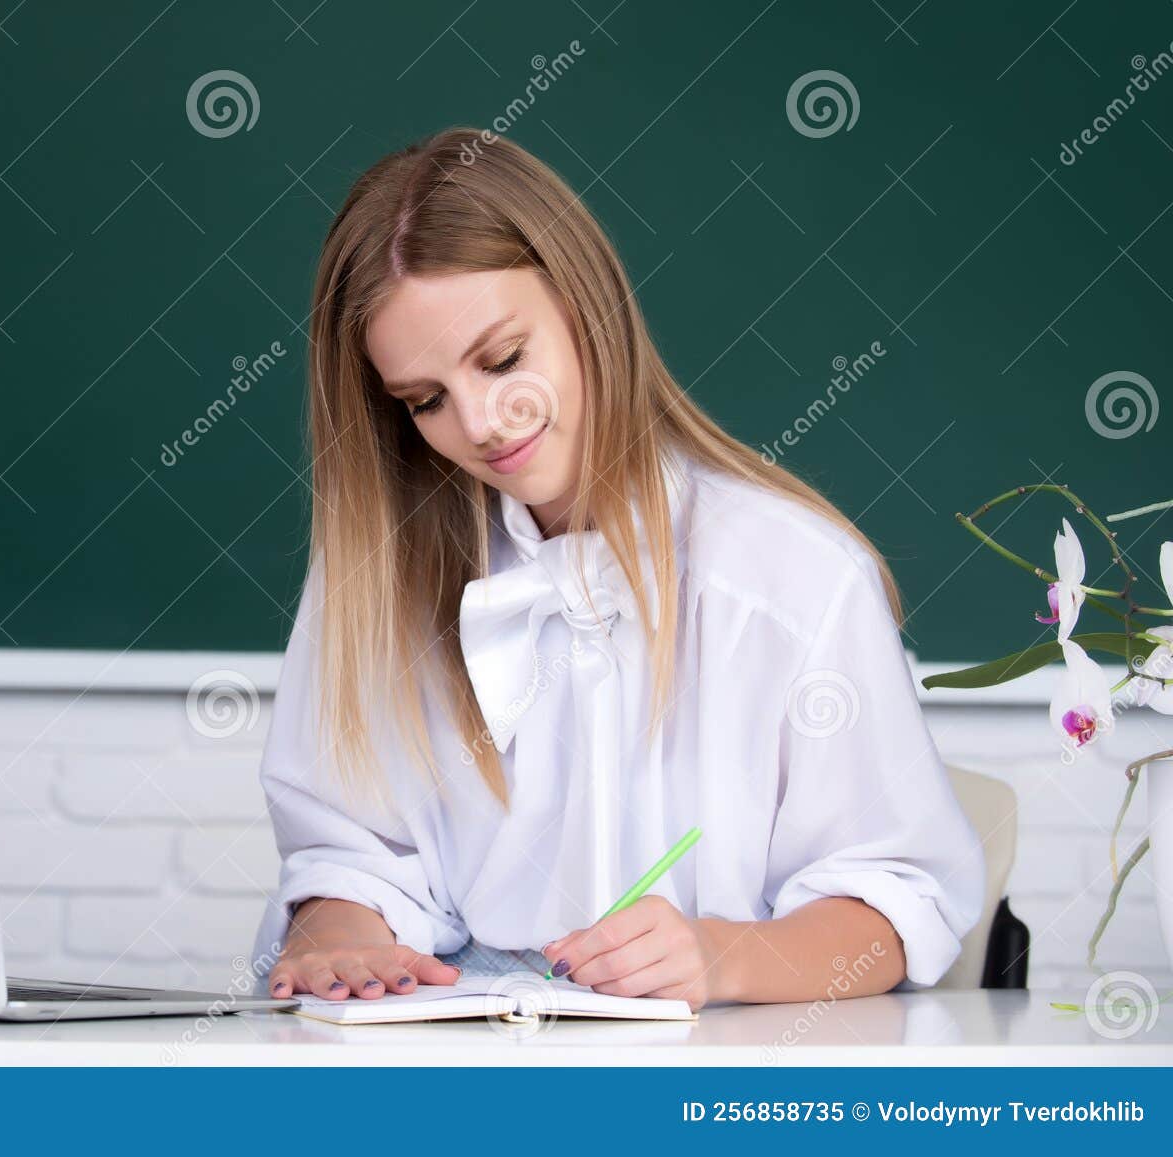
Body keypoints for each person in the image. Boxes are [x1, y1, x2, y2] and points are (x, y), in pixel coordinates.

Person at [250, 127, 982, 1009]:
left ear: (586, 302)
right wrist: (339, 935)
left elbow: (893, 903)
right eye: (426, 401)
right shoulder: (372, 582)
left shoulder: (797, 580)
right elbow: (346, 855)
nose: (481, 423)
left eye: (504, 359)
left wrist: (723, 957)